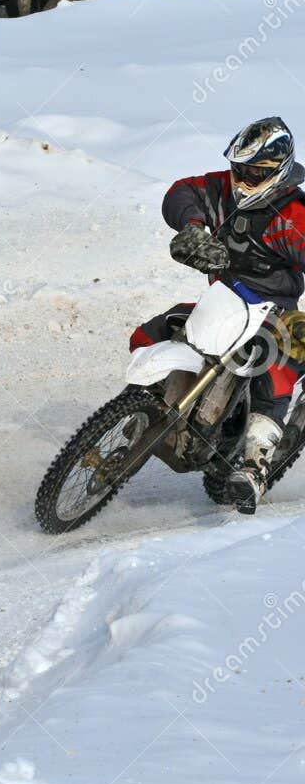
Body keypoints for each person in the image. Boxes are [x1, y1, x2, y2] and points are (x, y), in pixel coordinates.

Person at [131, 116, 305, 510]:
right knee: (159, 329)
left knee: (278, 360)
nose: (243, 179)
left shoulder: (293, 215)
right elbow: (181, 192)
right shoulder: (224, 189)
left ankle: (255, 466)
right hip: (224, 301)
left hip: (273, 311)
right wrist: (192, 228)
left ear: (277, 172)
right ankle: (141, 404)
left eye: (255, 173)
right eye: (239, 169)